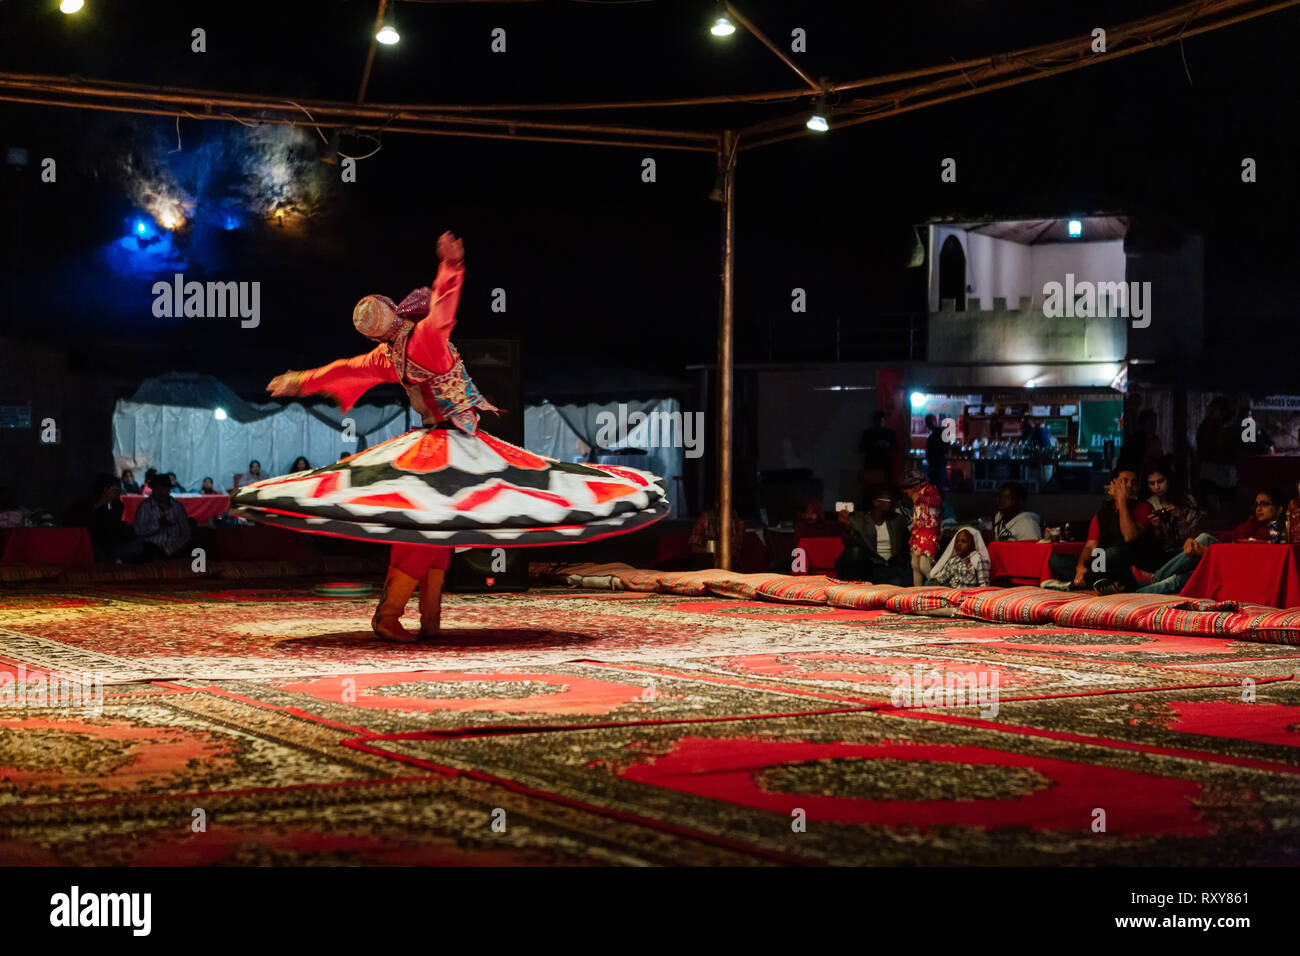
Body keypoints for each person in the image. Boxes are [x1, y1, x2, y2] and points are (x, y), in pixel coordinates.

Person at [238, 231, 667, 642]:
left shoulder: (387, 355)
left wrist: (301, 380)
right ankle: (389, 616)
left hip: (439, 442)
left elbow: (342, 371)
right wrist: (451, 266)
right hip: (448, 446)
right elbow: (442, 308)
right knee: (431, 523)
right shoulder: (423, 339)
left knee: (437, 525)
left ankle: (430, 619)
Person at [1136, 488, 1285, 594]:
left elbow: (1246, 559)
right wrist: (1196, 544)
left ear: (1279, 509)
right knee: (1179, 579)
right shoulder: (1251, 523)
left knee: (1205, 539)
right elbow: (1229, 538)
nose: (1259, 509)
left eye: (1265, 504)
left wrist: (1207, 552)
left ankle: (1156, 576)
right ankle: (1132, 594)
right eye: (1257, 504)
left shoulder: (1277, 533)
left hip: (1236, 570)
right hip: (1224, 561)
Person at [1046, 468, 1148, 594]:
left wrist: (1121, 501)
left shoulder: (1143, 507)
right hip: (1100, 564)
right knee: (1056, 560)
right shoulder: (1102, 513)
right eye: (1124, 481)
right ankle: (1094, 582)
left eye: (1134, 483)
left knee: (1113, 553)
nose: (1129, 486)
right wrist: (1080, 566)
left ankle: (1076, 584)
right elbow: (1090, 546)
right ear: (1112, 485)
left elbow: (1129, 536)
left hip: (1124, 562)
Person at [834, 486, 909, 585]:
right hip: (868, 567)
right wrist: (847, 528)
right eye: (890, 500)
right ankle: (852, 586)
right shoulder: (859, 520)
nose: (895, 504)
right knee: (855, 551)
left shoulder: (898, 520)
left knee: (897, 582)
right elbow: (850, 545)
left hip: (890, 567)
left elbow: (906, 544)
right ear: (876, 502)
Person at [120, 473, 192, 561]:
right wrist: (157, 524)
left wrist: (170, 550)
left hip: (176, 548)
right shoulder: (145, 506)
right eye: (157, 489)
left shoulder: (177, 507)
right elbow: (138, 530)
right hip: (150, 549)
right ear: (153, 490)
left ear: (169, 489)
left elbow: (186, 532)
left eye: (163, 488)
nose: (160, 492)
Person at [64, 475, 131, 561]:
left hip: (110, 542)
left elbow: (113, 523)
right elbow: (81, 520)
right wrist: (101, 504)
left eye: (119, 489)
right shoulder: (86, 503)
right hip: (89, 540)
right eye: (116, 489)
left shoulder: (118, 505)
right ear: (105, 490)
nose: (119, 492)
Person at [900, 466, 941, 586]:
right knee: (915, 565)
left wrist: (920, 498)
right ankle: (916, 590)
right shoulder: (916, 496)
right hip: (918, 533)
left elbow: (937, 502)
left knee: (924, 566)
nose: (907, 495)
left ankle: (937, 586)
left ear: (915, 487)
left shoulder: (930, 491)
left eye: (907, 492)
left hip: (929, 534)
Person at [859, 411, 897, 485]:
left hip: (883, 464)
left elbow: (895, 447)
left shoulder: (890, 433)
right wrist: (875, 444)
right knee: (872, 486)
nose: (879, 423)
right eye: (878, 420)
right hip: (873, 464)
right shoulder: (868, 433)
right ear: (874, 421)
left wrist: (886, 445)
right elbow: (862, 447)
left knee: (883, 486)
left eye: (881, 420)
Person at [924, 414, 948, 495]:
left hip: (937, 464)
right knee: (937, 487)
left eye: (928, 422)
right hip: (936, 464)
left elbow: (944, 447)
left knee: (937, 487)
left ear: (933, 422)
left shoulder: (937, 433)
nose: (927, 424)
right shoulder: (937, 433)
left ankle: (940, 505)